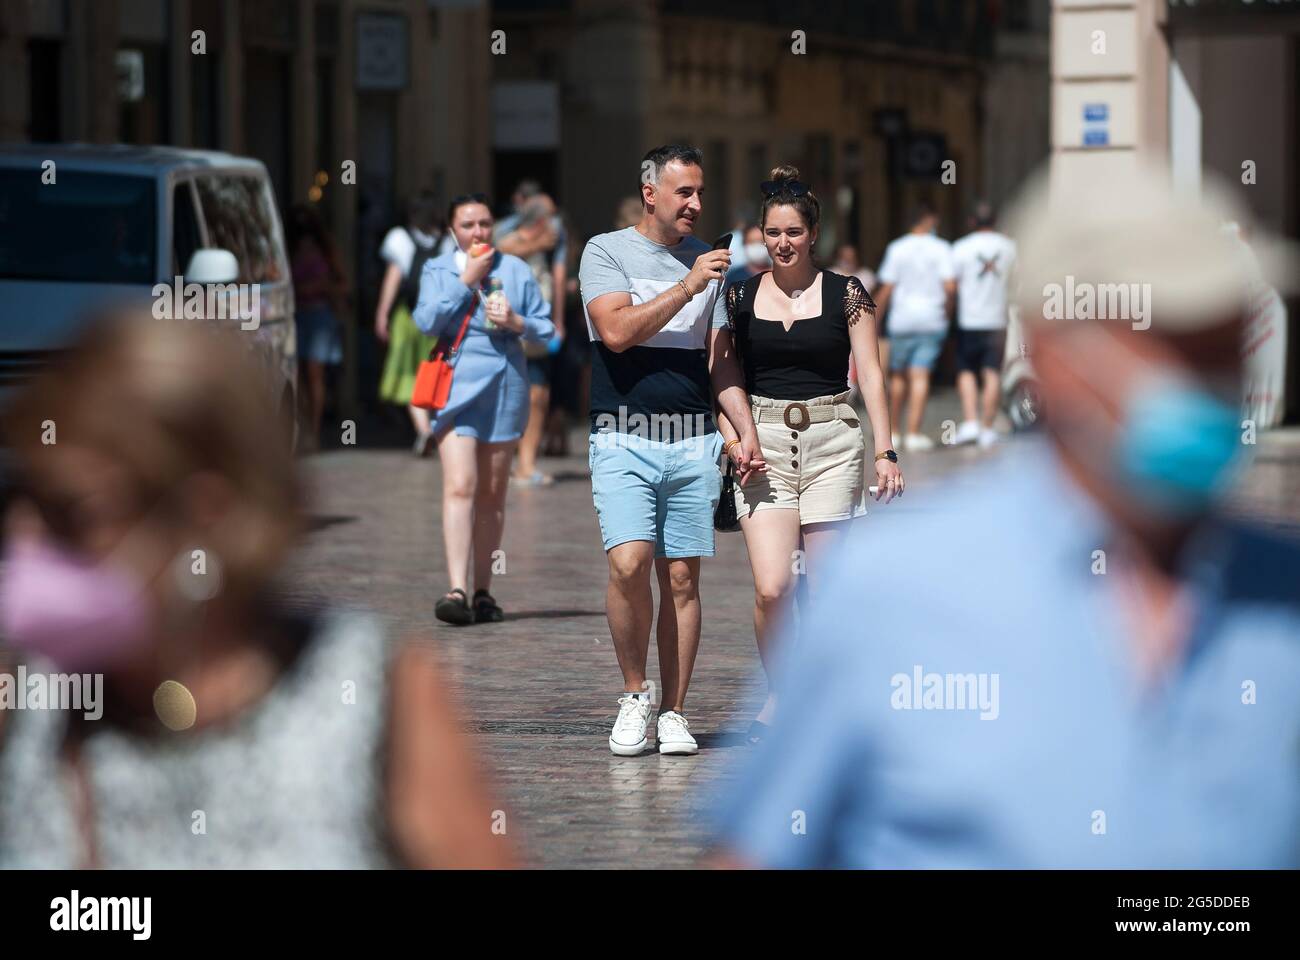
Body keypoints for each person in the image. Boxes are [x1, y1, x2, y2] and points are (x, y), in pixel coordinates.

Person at [706, 164, 1300, 869]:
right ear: (1052, 357)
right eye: (1174, 350)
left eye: (1226, 348)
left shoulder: (1283, 603)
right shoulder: (894, 593)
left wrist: (885, 447)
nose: (1210, 385)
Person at [0, 309, 517, 868]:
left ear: (205, 517)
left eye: (75, 515)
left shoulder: (370, 694)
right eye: (23, 503)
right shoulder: (27, 699)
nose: (28, 544)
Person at [579, 144, 762, 757]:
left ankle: (676, 710)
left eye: (701, 193)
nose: (697, 204)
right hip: (623, 433)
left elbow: (720, 363)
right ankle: (635, 696)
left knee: (682, 578)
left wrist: (742, 430)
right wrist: (688, 285)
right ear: (651, 193)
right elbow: (617, 333)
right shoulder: (606, 252)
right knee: (628, 564)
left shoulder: (711, 267)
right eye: (685, 192)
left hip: (691, 440)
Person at [716, 164, 902, 743]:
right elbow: (723, 374)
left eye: (793, 232)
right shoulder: (739, 295)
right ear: (761, 234)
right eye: (773, 232)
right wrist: (733, 436)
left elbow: (870, 374)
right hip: (761, 444)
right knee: (775, 587)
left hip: (832, 441)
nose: (783, 242)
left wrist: (886, 451)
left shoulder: (847, 293)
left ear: (812, 233)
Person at [414, 193, 554, 626]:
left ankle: (483, 590)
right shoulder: (438, 270)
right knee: (460, 484)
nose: (478, 232)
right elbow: (425, 322)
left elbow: (547, 328)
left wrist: (517, 322)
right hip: (456, 386)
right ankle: (455, 589)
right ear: (453, 230)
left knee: (493, 494)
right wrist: (463, 282)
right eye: (468, 225)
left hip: (505, 387)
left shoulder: (514, 269)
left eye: (485, 224)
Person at [495, 188, 567, 486]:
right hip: (504, 327)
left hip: (536, 328)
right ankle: (502, 461)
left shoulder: (555, 240)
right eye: (550, 217)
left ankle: (527, 464)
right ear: (538, 221)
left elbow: (559, 275)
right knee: (508, 394)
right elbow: (497, 252)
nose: (556, 222)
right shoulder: (507, 233)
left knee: (539, 395)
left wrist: (558, 320)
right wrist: (536, 243)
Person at [873, 202, 956, 451]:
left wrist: (874, 319)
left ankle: (895, 431)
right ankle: (914, 432)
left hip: (902, 320)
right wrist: (947, 313)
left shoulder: (897, 248)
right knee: (920, 375)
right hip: (931, 319)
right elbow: (951, 288)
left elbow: (886, 288)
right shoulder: (942, 248)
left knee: (898, 376)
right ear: (929, 220)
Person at [375, 192, 443, 456]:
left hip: (407, 316)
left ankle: (423, 430)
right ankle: (433, 429)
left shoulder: (399, 238)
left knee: (409, 376)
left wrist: (382, 313)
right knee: (435, 375)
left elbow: (392, 279)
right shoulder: (447, 241)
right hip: (437, 319)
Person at [950, 200, 1017, 448]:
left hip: (969, 318)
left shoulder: (960, 248)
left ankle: (970, 423)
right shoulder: (1010, 248)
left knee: (966, 370)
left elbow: (951, 284)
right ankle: (987, 428)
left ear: (971, 222)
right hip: (997, 319)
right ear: (996, 221)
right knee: (992, 372)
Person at [287, 204, 347, 451]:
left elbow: (342, 282)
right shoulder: (289, 248)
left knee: (314, 374)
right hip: (296, 315)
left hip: (319, 315)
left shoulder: (326, 249)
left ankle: (313, 430)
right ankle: (301, 428)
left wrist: (321, 288)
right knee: (298, 375)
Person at [722, 223, 771, 291]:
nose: (757, 246)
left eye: (761, 242)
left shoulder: (779, 275)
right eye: (753, 242)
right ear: (744, 244)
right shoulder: (734, 277)